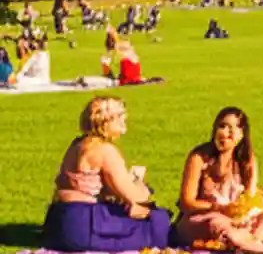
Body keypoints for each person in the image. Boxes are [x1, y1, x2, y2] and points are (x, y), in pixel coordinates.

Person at [41, 97, 171, 251]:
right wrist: (142, 186)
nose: (125, 119)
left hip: (58, 221)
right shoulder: (104, 151)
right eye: (120, 115)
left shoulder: (78, 144)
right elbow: (137, 197)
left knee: (143, 213)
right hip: (83, 225)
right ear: (104, 122)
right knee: (159, 219)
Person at [175, 107, 263, 253]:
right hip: (203, 218)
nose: (225, 132)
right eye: (222, 126)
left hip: (238, 220)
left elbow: (249, 198)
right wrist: (218, 208)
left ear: (241, 134)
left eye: (231, 128)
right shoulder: (199, 158)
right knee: (217, 223)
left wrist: (244, 215)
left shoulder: (246, 160)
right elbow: (186, 202)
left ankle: (250, 240)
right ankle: (256, 248)